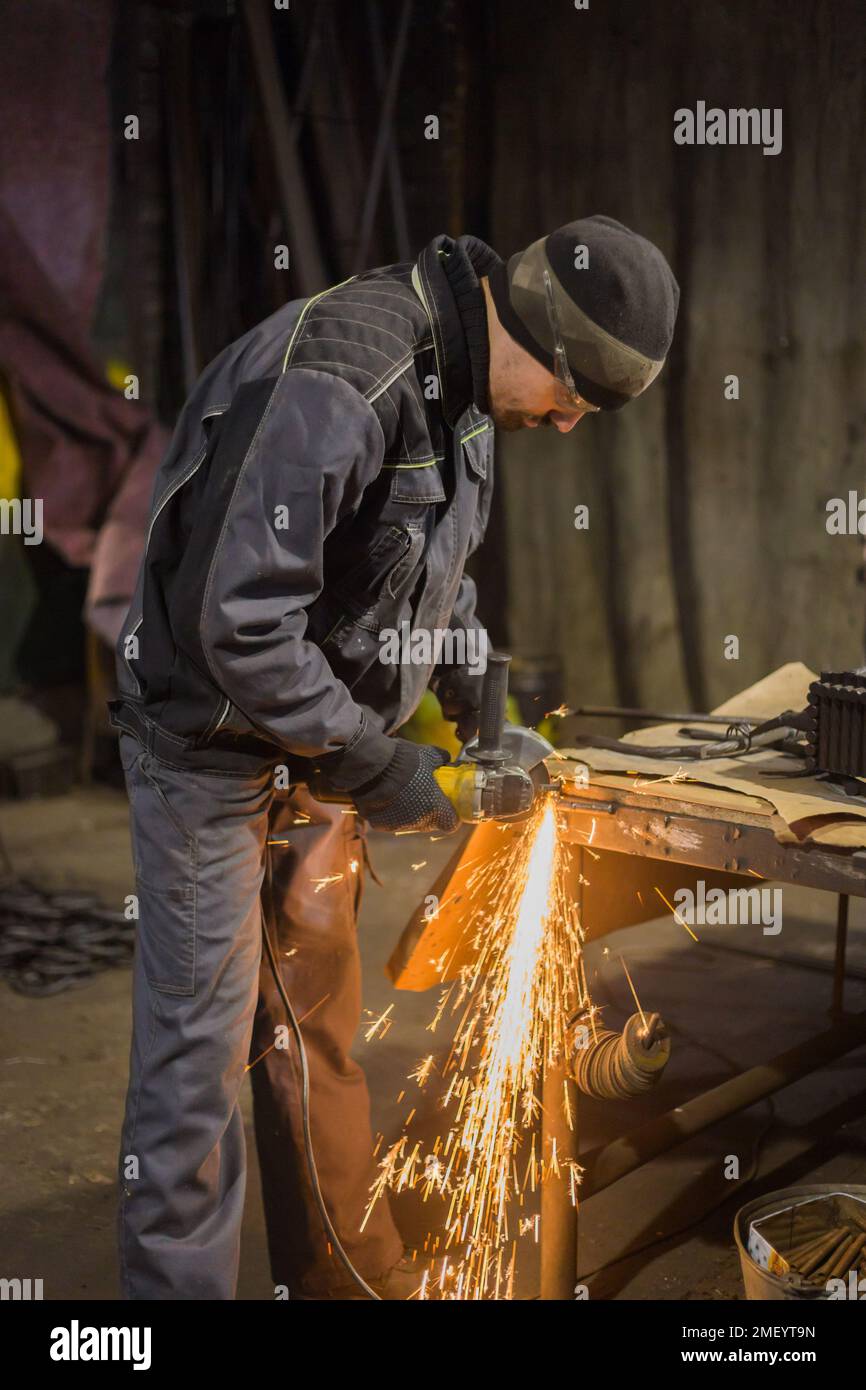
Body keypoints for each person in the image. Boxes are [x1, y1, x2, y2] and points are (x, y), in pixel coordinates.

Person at [109, 215, 679, 1299]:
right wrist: (389, 768)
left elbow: (430, 580)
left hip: (316, 749)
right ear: (543, 348)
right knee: (196, 1067)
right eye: (574, 400)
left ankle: (334, 1284)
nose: (564, 426)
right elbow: (238, 631)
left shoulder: (465, 395)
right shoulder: (346, 377)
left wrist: (481, 707)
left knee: (312, 1040)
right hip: (207, 755)